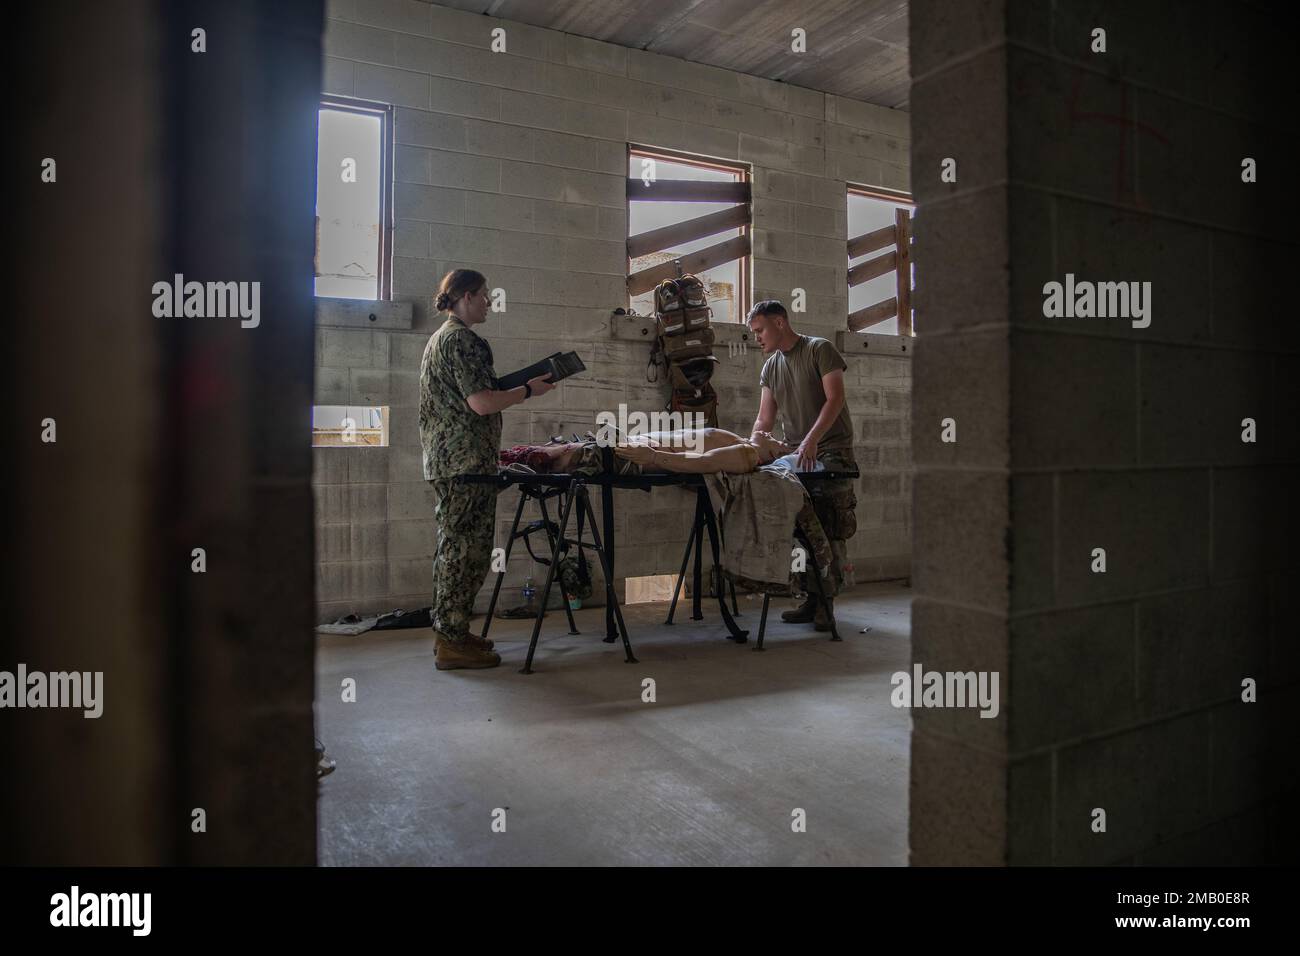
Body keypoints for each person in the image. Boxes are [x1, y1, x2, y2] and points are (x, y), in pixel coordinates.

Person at [419, 269, 556, 670]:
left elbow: (477, 395)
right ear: (463, 296)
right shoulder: (462, 340)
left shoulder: (441, 339)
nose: (488, 303)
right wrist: (528, 390)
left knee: (458, 547)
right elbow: (481, 402)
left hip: (453, 460)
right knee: (464, 552)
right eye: (482, 296)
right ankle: (449, 640)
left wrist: (513, 386)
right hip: (464, 463)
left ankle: (454, 633)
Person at [746, 300, 858, 631]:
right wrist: (757, 445)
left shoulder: (818, 350)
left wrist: (811, 439)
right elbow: (764, 419)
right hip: (798, 455)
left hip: (831, 451)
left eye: (760, 330)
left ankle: (827, 604)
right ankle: (811, 599)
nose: (757, 338)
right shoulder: (770, 367)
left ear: (780, 322)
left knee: (829, 527)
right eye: (753, 333)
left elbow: (835, 398)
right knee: (801, 529)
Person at [498, 427, 793, 476]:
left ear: (773, 456)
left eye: (779, 442)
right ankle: (506, 460)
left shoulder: (748, 455)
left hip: (634, 457)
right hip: (627, 444)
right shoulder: (739, 438)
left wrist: (652, 457)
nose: (771, 434)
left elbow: (703, 463)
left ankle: (501, 464)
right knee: (558, 448)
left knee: (563, 454)